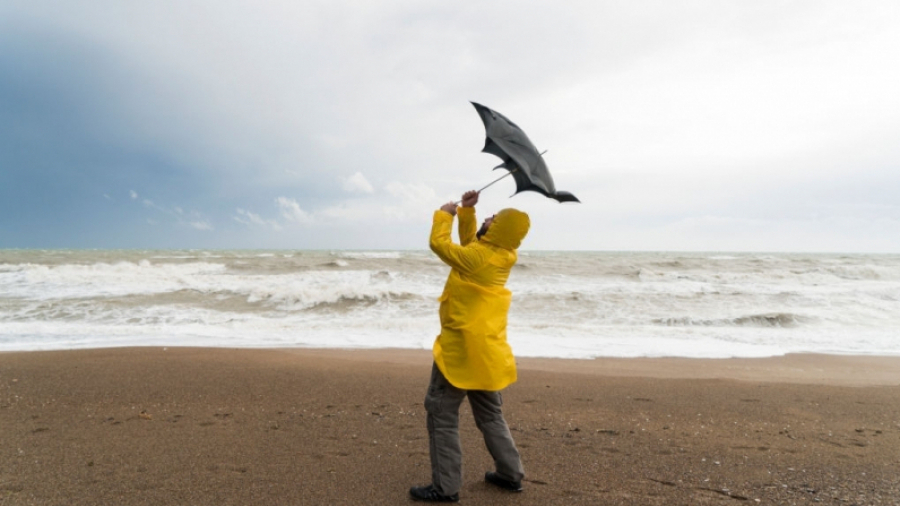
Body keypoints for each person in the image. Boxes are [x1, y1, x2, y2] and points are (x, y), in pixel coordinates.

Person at [409, 190, 531, 503]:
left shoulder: (479, 258)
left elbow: (441, 245)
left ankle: (445, 488)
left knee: (441, 411)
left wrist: (444, 215)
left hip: (461, 349)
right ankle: (510, 474)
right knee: (490, 415)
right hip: (488, 352)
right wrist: (468, 213)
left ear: (499, 230)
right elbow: (471, 248)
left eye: (493, 218)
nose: (489, 218)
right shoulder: (500, 254)